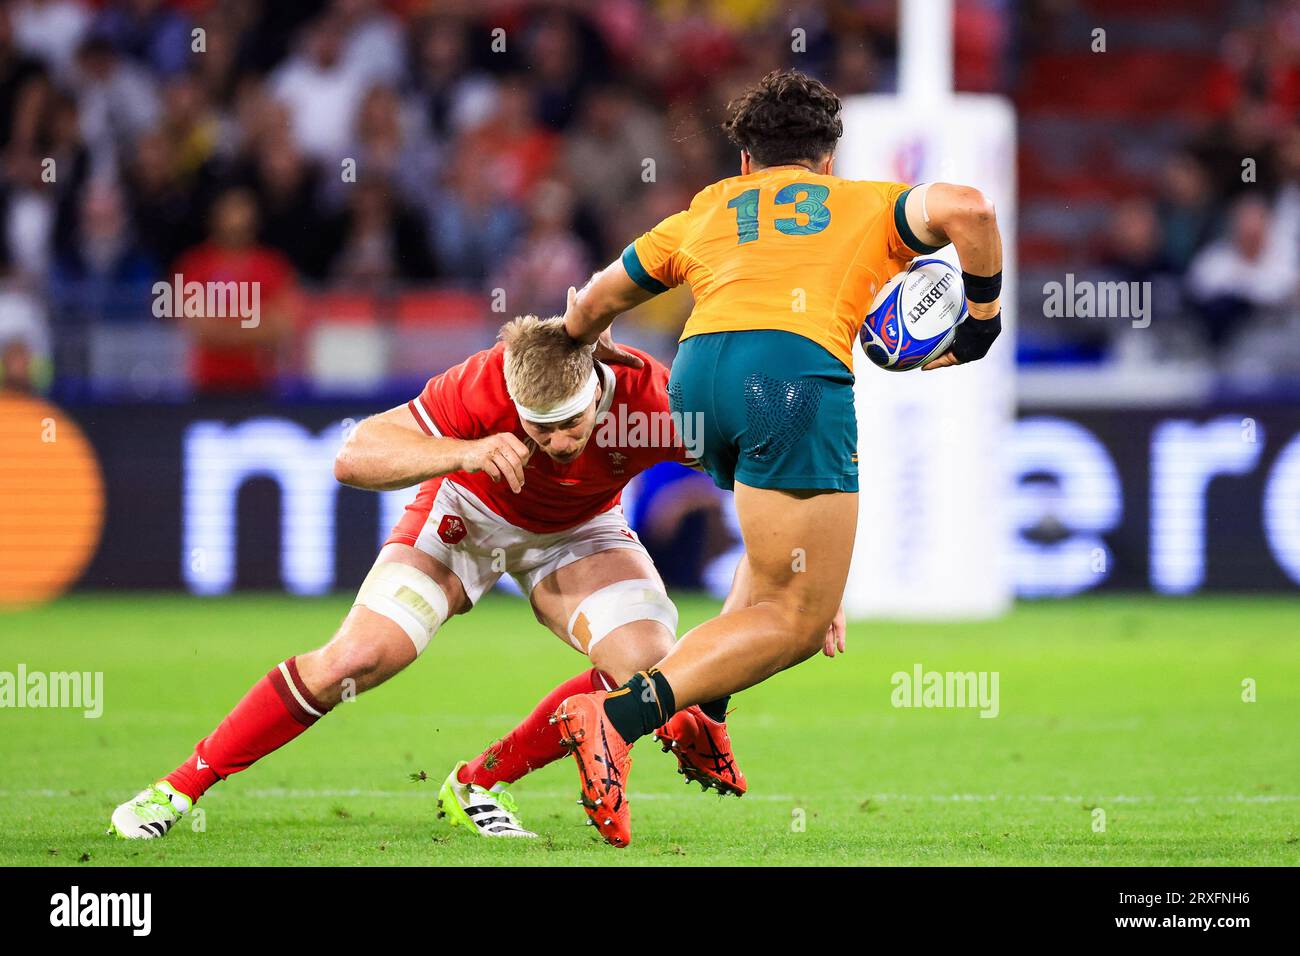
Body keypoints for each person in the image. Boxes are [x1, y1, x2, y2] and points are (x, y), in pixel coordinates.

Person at [555, 69, 1005, 847]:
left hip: (695, 384)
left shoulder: (707, 210)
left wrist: (566, 356)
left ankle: (708, 711)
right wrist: (982, 320)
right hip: (791, 377)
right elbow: (972, 208)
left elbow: (592, 303)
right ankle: (617, 716)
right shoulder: (867, 201)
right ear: (827, 161)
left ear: (745, 163)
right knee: (798, 620)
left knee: (774, 580)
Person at [109, 316, 745, 841]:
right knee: (353, 662)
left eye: (569, 426)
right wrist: (463, 453)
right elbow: (353, 454)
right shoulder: (481, 384)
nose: (553, 442)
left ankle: (477, 785)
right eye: (537, 426)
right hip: (464, 516)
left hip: (579, 532)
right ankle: (177, 789)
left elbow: (760, 470)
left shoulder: (655, 399)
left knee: (650, 664)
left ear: (596, 392)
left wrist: (803, 583)